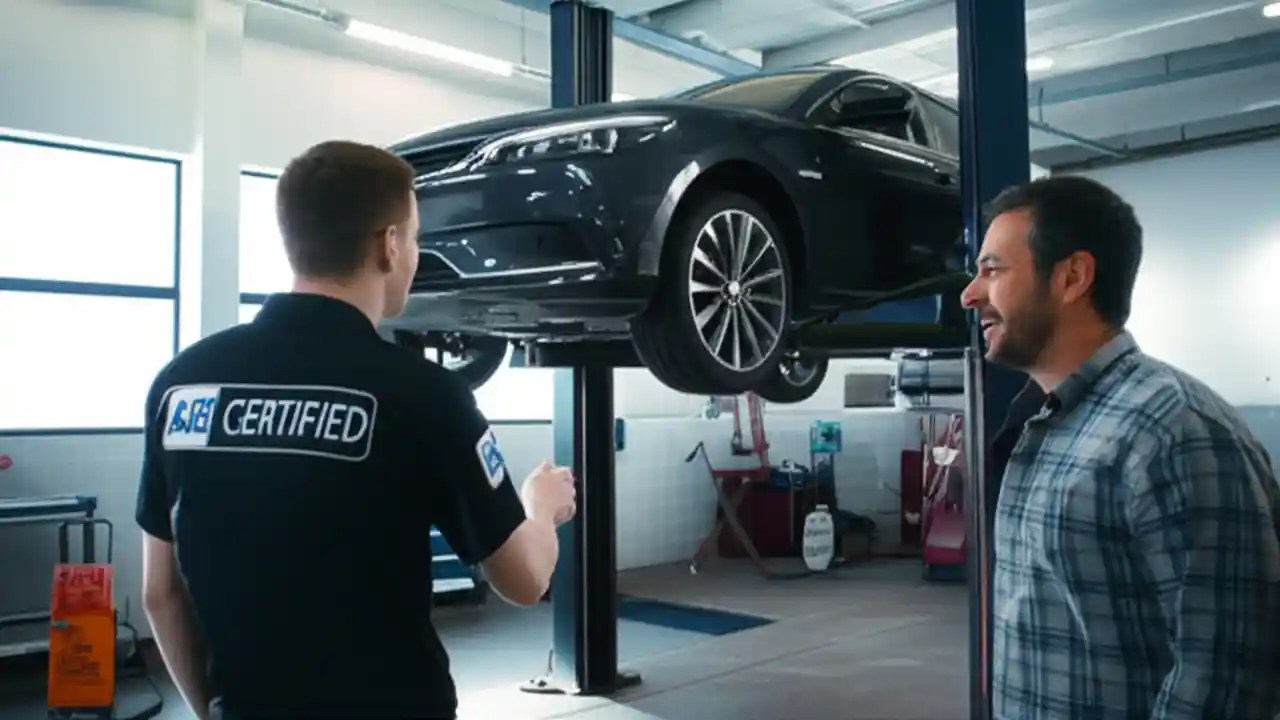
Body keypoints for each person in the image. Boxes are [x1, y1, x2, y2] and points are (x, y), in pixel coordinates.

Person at [135, 140, 577, 720]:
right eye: (415, 238)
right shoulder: (425, 394)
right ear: (389, 245)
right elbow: (523, 579)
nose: (415, 255)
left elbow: (160, 594)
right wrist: (541, 507)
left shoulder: (180, 384)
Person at [959, 174, 1280, 719]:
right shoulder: (1049, 423)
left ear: (1072, 277)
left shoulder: (1172, 430)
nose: (970, 294)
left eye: (992, 270)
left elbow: (1225, 675)